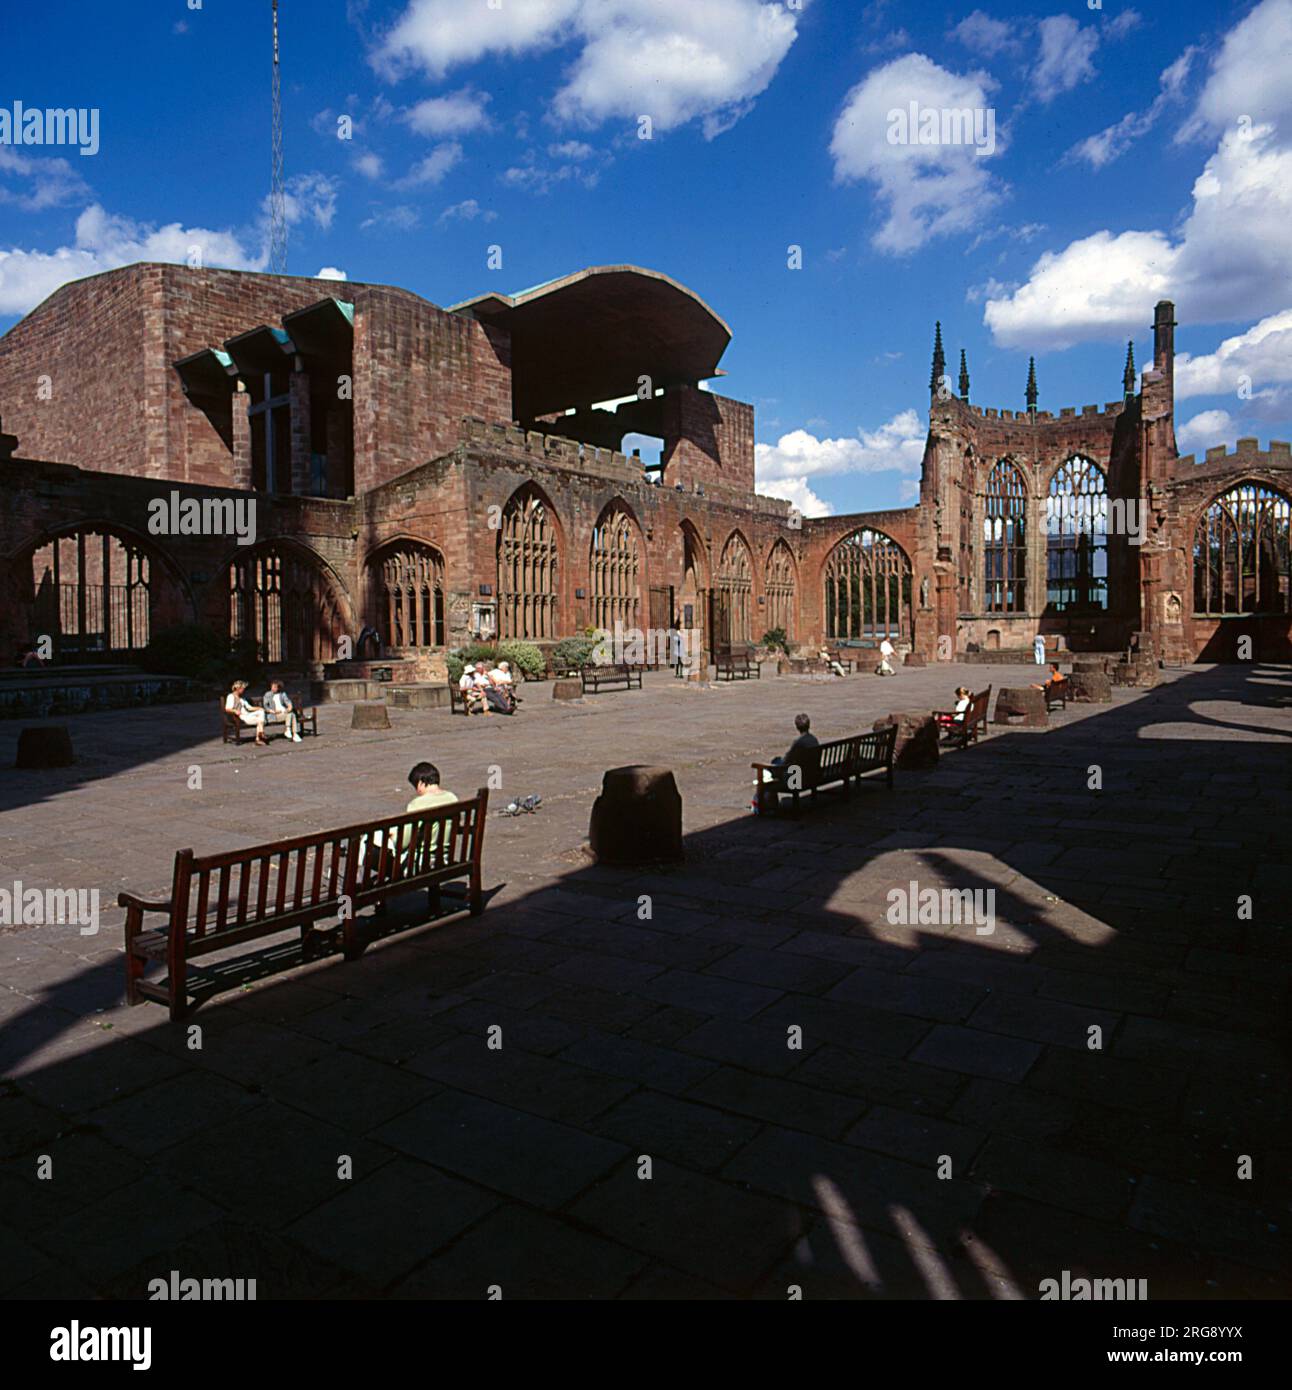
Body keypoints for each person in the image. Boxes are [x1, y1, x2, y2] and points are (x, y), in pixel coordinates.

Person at [756, 713, 820, 808]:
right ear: (809, 725)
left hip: (799, 779)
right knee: (777, 763)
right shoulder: (814, 740)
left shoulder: (798, 743)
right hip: (813, 775)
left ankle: (768, 805)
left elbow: (786, 762)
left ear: (797, 727)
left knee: (771, 769)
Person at [225, 680, 269, 746]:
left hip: (247, 714)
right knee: (261, 721)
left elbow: (249, 708)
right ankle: (259, 737)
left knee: (261, 713)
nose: (244, 690)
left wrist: (260, 708)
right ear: (238, 688)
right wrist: (235, 711)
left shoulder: (242, 698)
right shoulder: (231, 696)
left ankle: (260, 735)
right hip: (241, 717)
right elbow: (227, 708)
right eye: (243, 689)